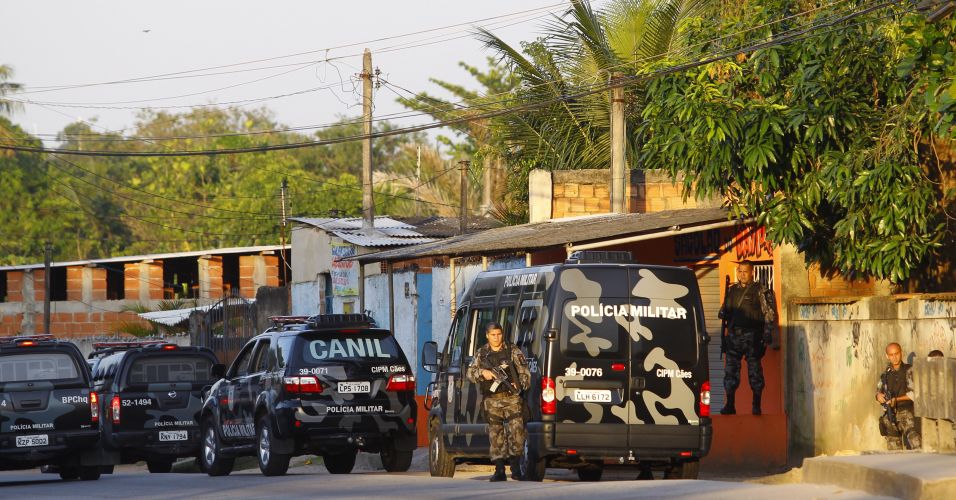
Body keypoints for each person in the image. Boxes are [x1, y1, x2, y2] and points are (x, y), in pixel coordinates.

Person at [467, 321, 531, 482]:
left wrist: (520, 384)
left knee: (517, 433)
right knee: (496, 435)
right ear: (487, 336)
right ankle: (500, 469)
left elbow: (525, 373)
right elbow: (470, 373)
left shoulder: (512, 351)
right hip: (492, 400)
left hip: (511, 398)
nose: (496, 338)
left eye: (499, 334)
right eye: (493, 335)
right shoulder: (481, 354)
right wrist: (483, 373)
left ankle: (516, 468)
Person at [719, 261, 776, 415]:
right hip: (734, 337)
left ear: (752, 273)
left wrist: (767, 334)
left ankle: (756, 405)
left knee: (755, 372)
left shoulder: (760, 290)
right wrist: (723, 312)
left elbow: (769, 314)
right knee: (730, 371)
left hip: (753, 338)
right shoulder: (731, 290)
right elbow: (723, 311)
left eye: (745, 271)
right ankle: (730, 404)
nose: (742, 274)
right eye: (740, 271)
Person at [876, 342, 921, 450]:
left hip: (908, 414)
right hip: (890, 416)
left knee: (917, 445)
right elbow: (878, 391)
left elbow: (915, 394)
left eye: (896, 353)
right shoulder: (885, 374)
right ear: (887, 356)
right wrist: (878, 396)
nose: (894, 357)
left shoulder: (910, 370)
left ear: (901, 353)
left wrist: (896, 400)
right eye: (891, 355)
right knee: (893, 451)